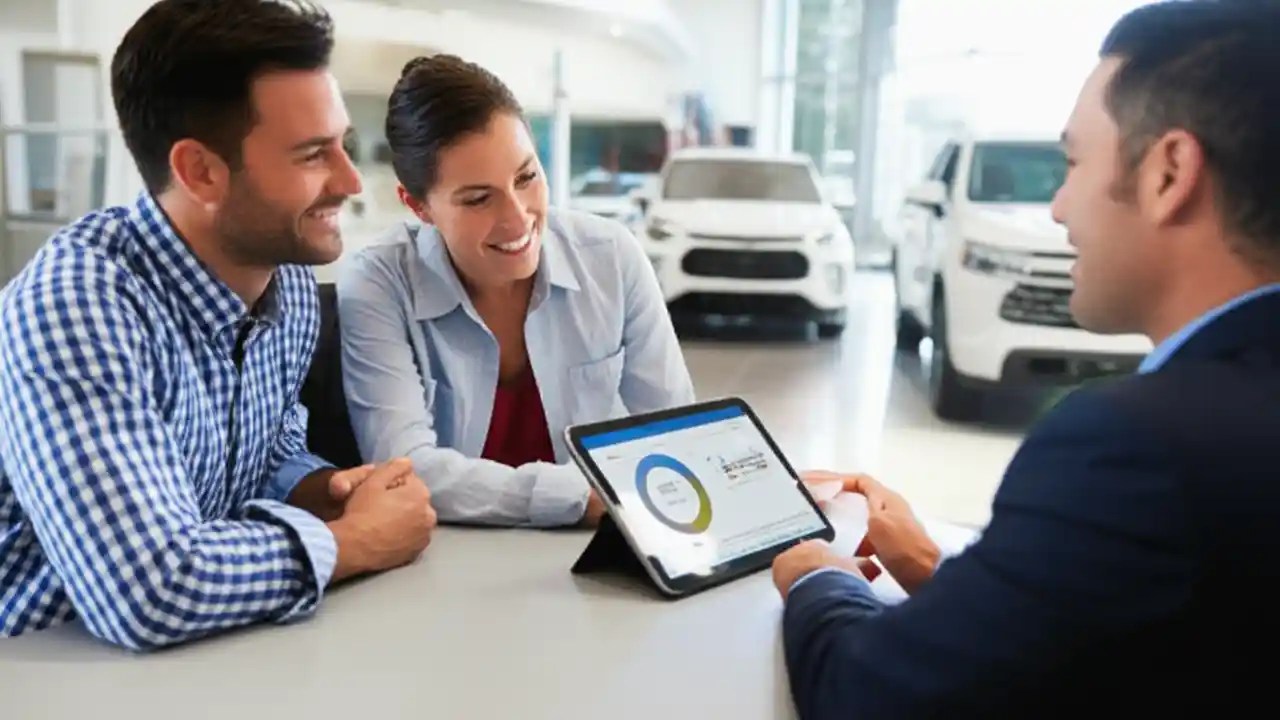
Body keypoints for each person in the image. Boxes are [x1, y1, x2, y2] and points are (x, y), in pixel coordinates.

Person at [772, 2, 1280, 716]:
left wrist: (820, 576)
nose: (1059, 208)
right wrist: (942, 574)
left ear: (1170, 173)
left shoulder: (1137, 446)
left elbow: (869, 696)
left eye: (1071, 164)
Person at [0, 0, 437, 651]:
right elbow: (147, 590)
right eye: (314, 155)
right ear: (200, 171)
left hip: (211, 663)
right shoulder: (77, 304)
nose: (350, 181)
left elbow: (261, 456)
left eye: (342, 144)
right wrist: (354, 541)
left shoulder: (281, 277)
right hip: (51, 675)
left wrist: (327, 490)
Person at [337, 55, 694, 528]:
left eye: (526, 177)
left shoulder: (611, 257)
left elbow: (677, 434)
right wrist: (580, 496)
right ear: (418, 206)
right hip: (445, 565)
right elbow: (402, 470)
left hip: (600, 547)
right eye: (479, 198)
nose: (518, 217)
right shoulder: (379, 284)